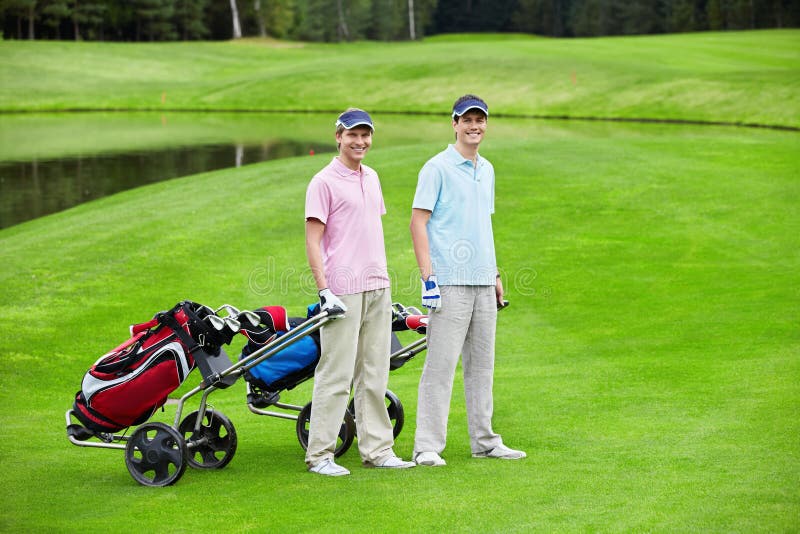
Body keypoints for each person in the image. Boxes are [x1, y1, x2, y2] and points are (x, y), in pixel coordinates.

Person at [409, 94, 526, 466]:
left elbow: (481, 225)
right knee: (440, 366)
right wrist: (429, 278)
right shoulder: (436, 167)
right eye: (467, 120)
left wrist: (494, 273)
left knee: (482, 366)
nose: (474, 126)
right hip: (449, 281)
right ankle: (427, 446)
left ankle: (485, 441)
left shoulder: (486, 169)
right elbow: (418, 223)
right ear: (454, 123)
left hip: (481, 281)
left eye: (480, 120)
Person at [304, 108, 415, 476]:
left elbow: (367, 231)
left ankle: (378, 450)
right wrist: (324, 289)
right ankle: (320, 454)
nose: (360, 141)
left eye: (366, 135)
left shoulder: (373, 177)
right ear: (338, 136)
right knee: (336, 373)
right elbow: (314, 241)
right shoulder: (322, 181)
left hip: (378, 285)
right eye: (353, 135)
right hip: (342, 290)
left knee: (375, 372)